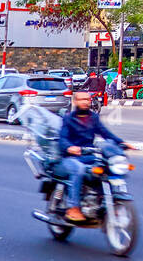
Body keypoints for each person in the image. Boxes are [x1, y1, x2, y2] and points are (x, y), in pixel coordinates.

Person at [58, 91, 135, 222]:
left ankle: (103, 200)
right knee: (79, 170)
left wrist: (121, 142)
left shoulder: (93, 118)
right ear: (75, 102)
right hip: (70, 158)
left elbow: (105, 133)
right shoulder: (68, 118)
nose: (85, 102)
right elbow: (62, 138)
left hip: (88, 155)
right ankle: (73, 208)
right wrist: (69, 147)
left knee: (106, 166)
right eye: (81, 99)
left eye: (87, 99)